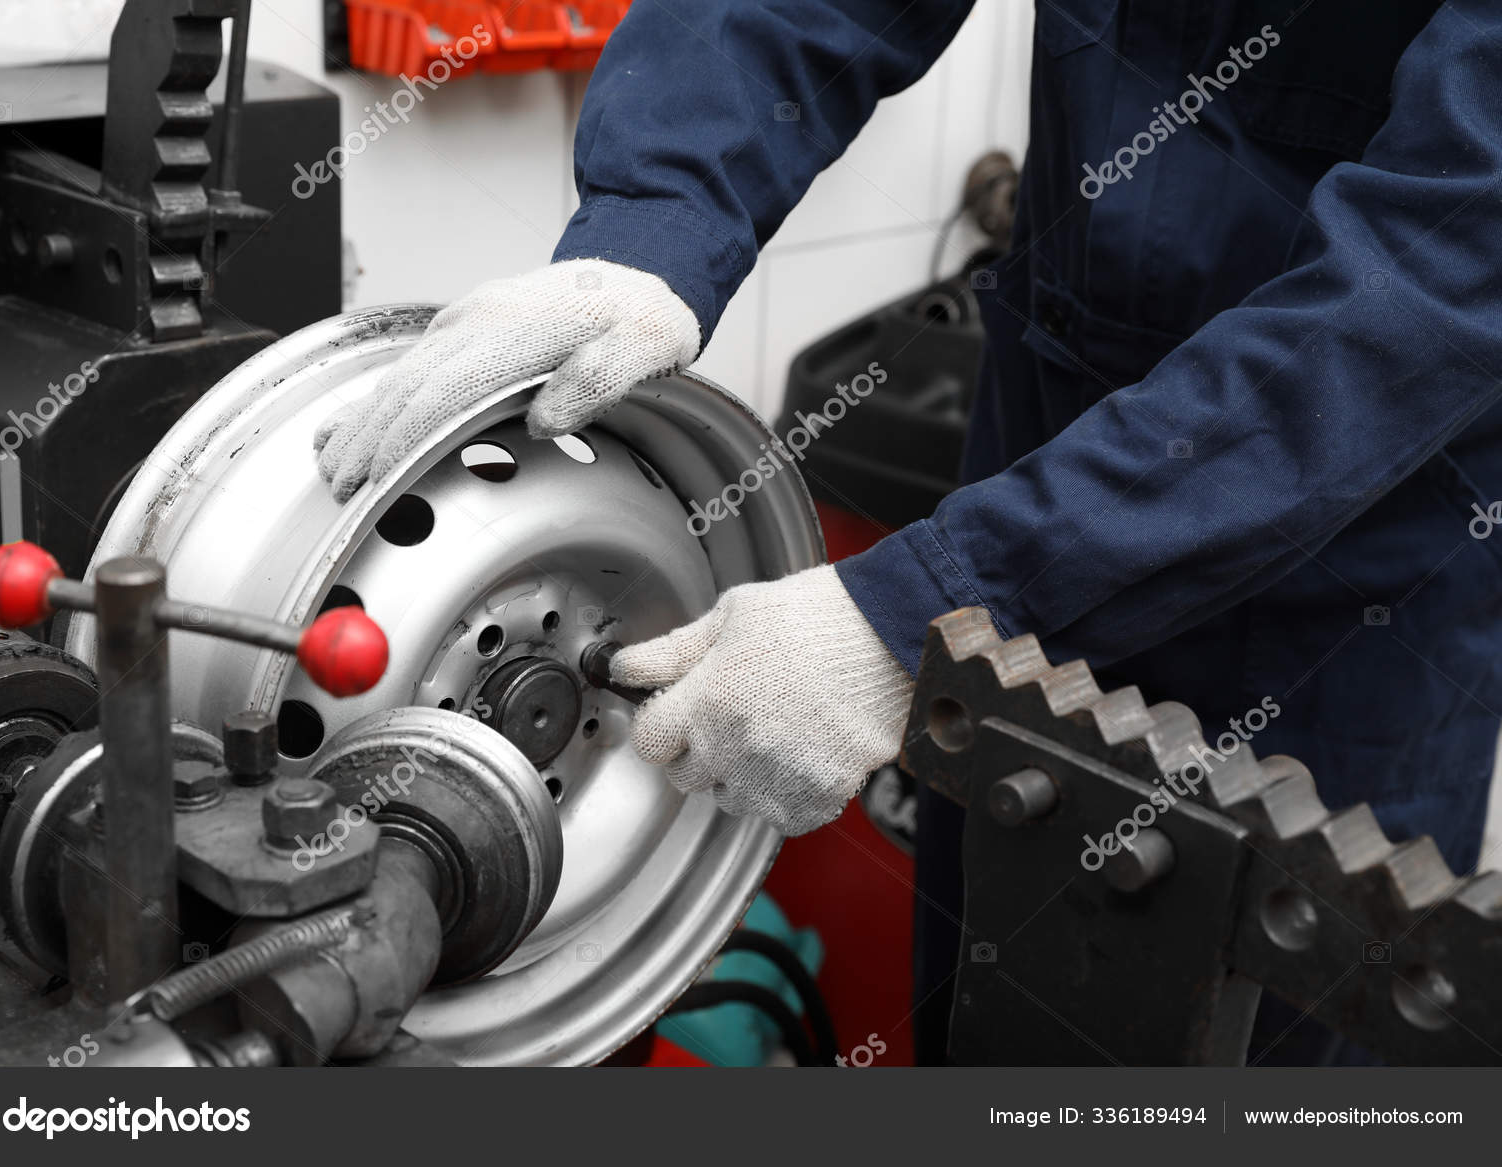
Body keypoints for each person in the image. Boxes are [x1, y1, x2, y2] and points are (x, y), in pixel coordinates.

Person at [315, 0, 1502, 1063]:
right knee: (985, 1010)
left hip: (1348, 572)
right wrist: (655, 226)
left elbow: (1437, 281)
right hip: (1044, 432)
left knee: (1259, 1040)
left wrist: (933, 601)